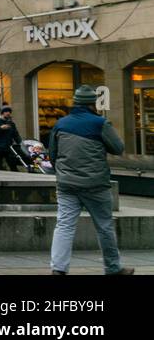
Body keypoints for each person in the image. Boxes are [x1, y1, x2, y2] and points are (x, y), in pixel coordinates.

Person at [49, 85, 133, 275]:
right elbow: (118, 148)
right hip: (95, 185)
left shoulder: (61, 124)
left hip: (66, 184)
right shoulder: (100, 123)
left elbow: (52, 154)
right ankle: (113, 268)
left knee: (64, 225)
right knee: (104, 226)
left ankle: (59, 269)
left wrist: (63, 172)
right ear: (93, 104)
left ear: (75, 102)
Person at [0, 106, 22, 171]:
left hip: (8, 147)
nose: (8, 113)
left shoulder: (11, 123)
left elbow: (16, 135)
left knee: (13, 165)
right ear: (2, 113)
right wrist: (0, 128)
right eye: (6, 111)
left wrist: (21, 143)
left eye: (9, 112)